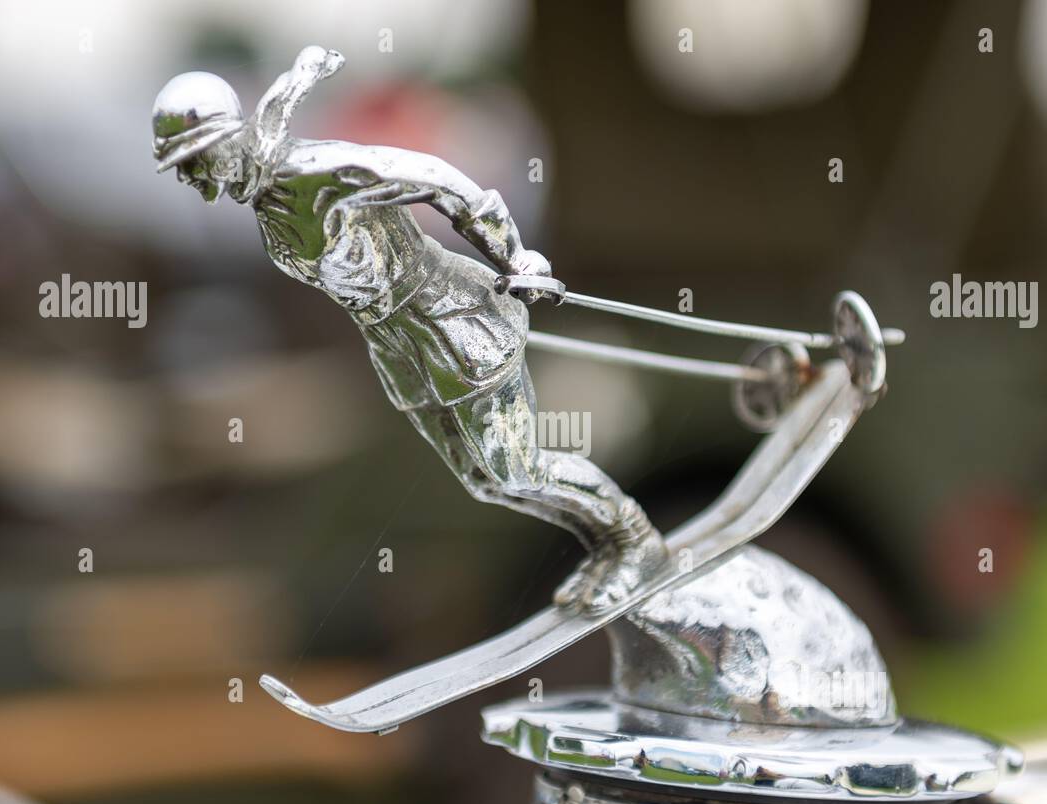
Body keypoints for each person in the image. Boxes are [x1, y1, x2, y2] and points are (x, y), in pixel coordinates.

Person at [152, 46, 667, 611]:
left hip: (449, 318)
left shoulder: (315, 172)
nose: (193, 181)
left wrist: (515, 259)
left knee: (517, 465)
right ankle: (605, 548)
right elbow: (273, 115)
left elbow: (438, 179)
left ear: (229, 143)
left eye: (196, 161)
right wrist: (303, 75)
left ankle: (633, 541)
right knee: (486, 480)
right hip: (396, 341)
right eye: (183, 167)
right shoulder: (262, 178)